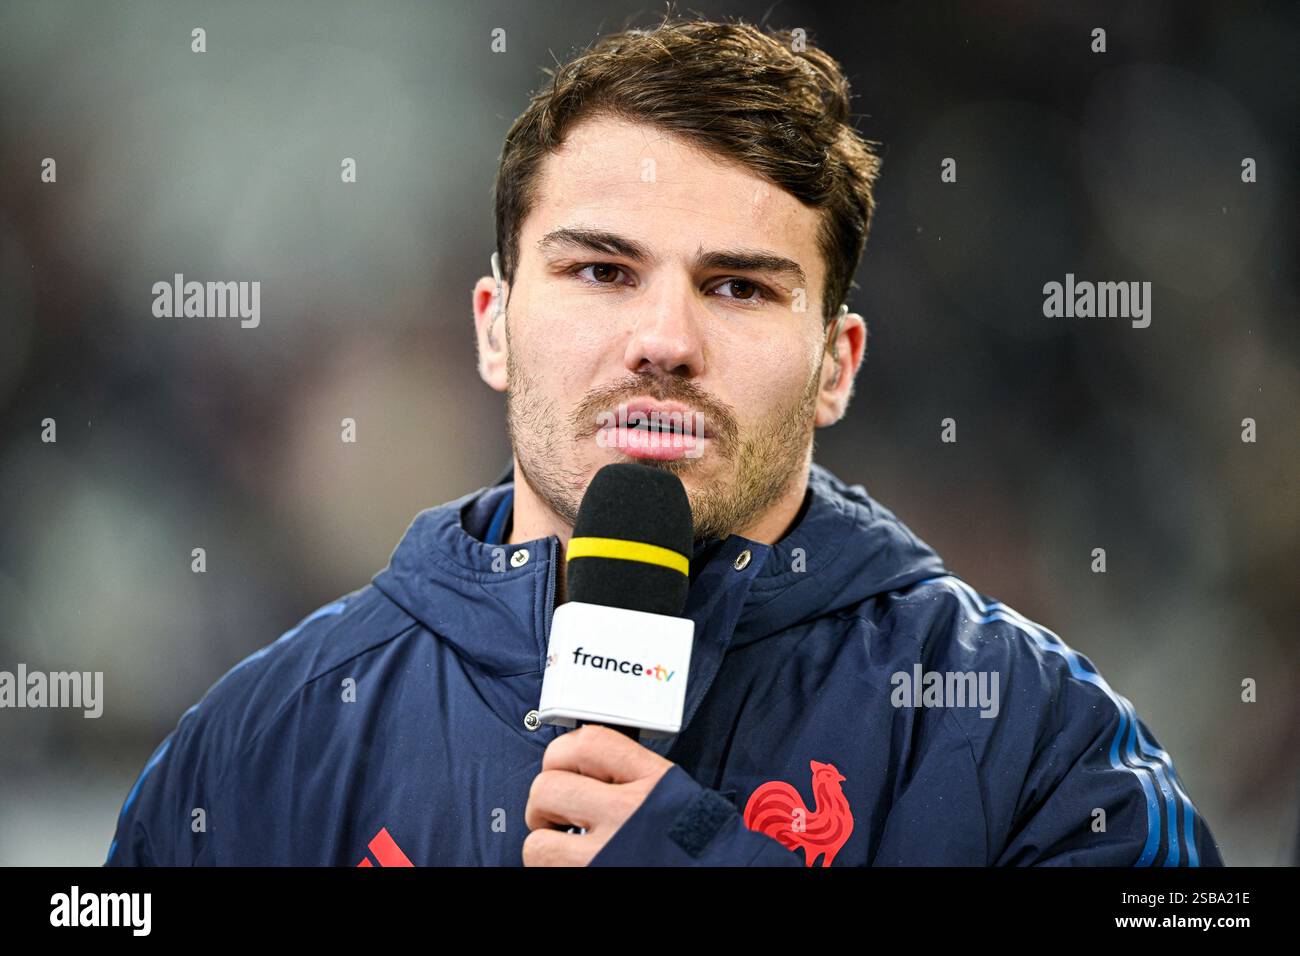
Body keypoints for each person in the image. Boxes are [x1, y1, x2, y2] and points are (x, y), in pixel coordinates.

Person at [106, 16, 1222, 867]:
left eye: (737, 286)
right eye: (601, 270)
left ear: (836, 363)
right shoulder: (265, 740)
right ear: (494, 327)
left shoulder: (1038, 733)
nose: (664, 339)